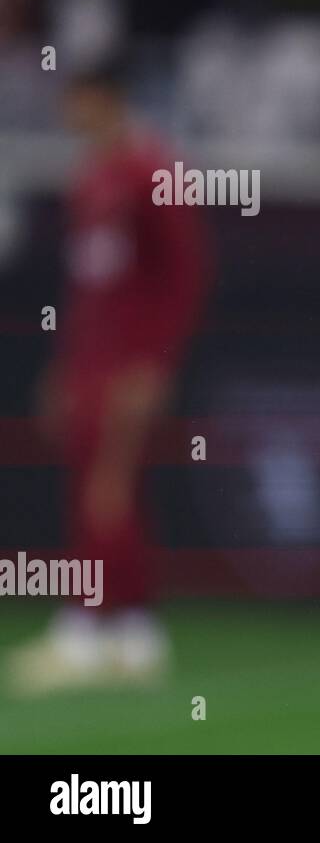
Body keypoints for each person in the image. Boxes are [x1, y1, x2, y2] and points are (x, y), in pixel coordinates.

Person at [10, 58, 212, 695]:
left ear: (107, 99)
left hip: (129, 367)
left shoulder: (153, 173)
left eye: (80, 100)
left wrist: (154, 365)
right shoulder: (90, 179)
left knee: (108, 488)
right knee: (95, 492)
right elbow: (88, 289)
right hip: (91, 365)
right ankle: (132, 632)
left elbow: (185, 278)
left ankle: (86, 629)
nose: (70, 114)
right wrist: (67, 365)